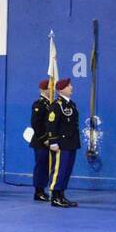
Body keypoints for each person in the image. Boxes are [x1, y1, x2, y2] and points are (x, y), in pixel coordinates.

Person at [46, 78, 81, 207]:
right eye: (68, 86)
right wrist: (53, 141)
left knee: (67, 170)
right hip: (61, 143)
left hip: (71, 143)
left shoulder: (71, 104)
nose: (71, 87)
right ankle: (55, 196)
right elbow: (51, 124)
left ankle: (61, 194)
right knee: (59, 170)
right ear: (61, 90)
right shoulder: (57, 105)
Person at [29, 79, 55, 201]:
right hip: (41, 142)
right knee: (41, 166)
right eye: (50, 88)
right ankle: (38, 191)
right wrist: (44, 139)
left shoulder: (50, 104)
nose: (52, 90)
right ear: (44, 90)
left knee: (47, 166)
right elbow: (36, 124)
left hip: (50, 141)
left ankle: (44, 188)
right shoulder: (39, 104)